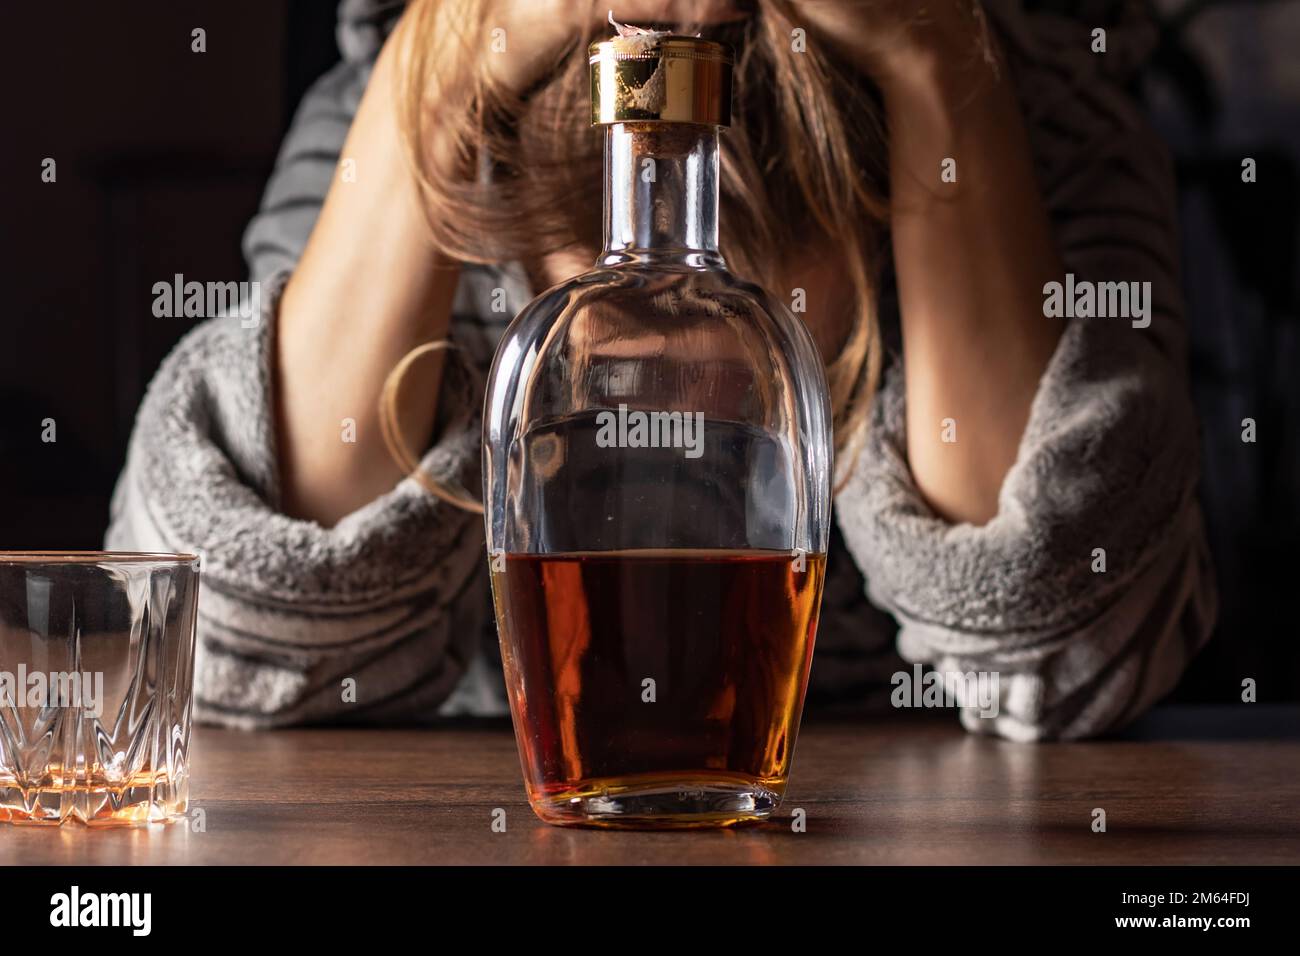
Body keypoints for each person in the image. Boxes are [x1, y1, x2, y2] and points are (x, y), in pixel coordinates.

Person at [108, 0, 1217, 740]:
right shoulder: (400, 105)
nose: (666, 416)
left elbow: (1073, 654)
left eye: (751, 322)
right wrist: (444, 61)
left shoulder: (1033, 111)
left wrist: (930, 60)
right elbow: (225, 649)